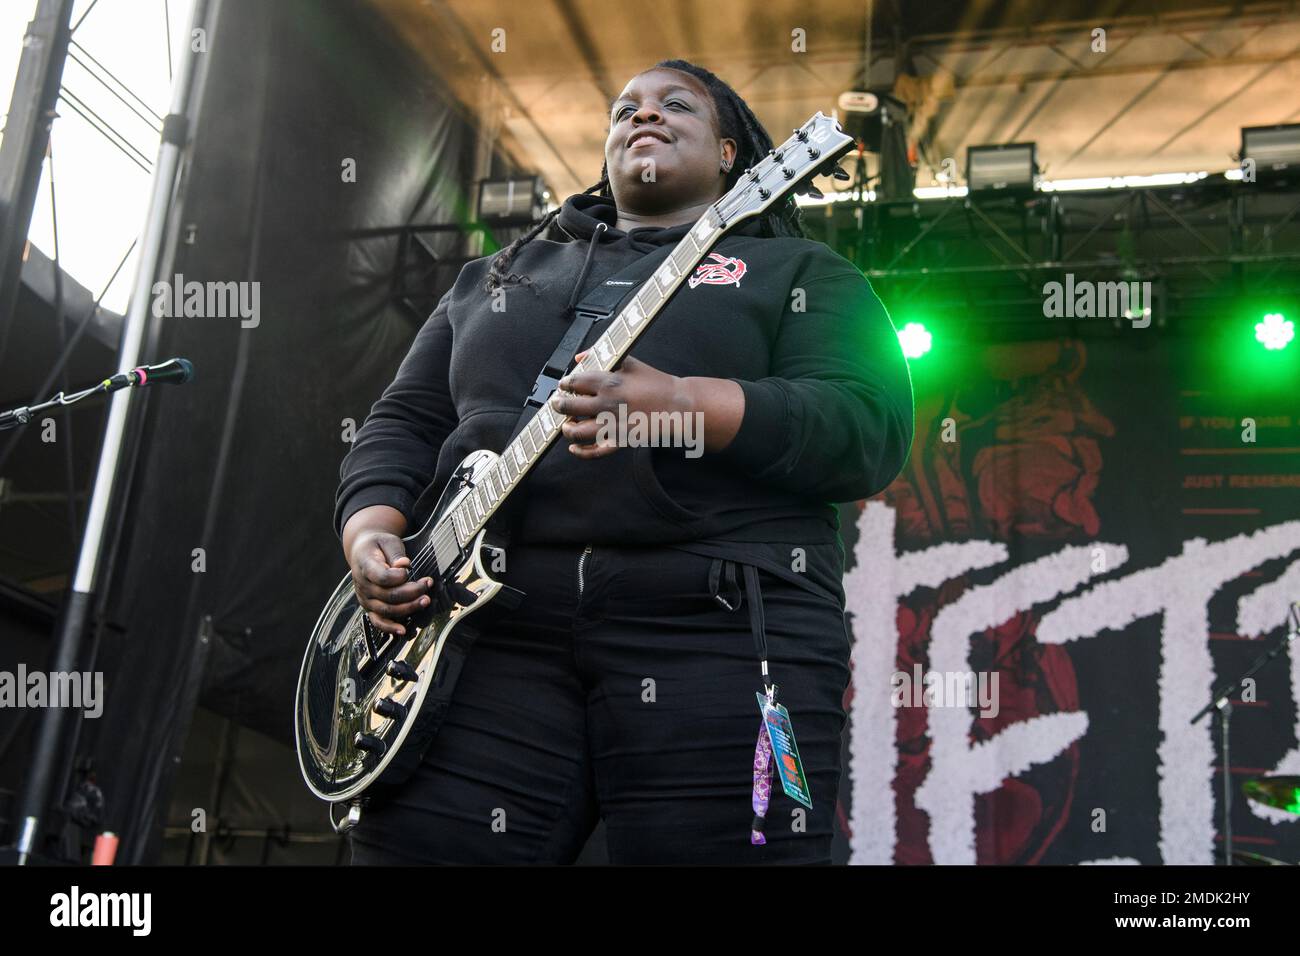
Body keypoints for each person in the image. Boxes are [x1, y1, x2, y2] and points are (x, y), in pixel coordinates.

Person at [333, 58, 914, 864]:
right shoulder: (489, 279)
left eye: (676, 105)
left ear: (729, 154)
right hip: (480, 636)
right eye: (623, 110)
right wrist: (370, 532)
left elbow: (868, 425)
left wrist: (686, 405)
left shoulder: (802, 274)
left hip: (717, 625)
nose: (643, 115)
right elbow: (404, 419)